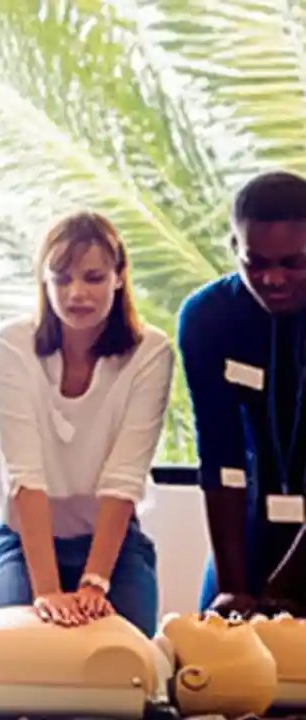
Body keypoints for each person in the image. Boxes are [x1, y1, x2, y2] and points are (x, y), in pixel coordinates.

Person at [0, 212, 171, 637]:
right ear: (43, 281)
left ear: (119, 278)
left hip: (112, 543)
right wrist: (48, 592)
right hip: (24, 539)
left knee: (124, 667)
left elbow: (125, 478)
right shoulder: (12, 345)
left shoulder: (151, 352)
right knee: (19, 655)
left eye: (93, 277)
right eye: (61, 278)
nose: (76, 293)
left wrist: (94, 583)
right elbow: (24, 476)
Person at [178, 170, 306, 619]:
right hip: (251, 527)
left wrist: (279, 590)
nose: (273, 279)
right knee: (218, 655)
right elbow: (220, 455)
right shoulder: (207, 317)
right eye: (256, 263)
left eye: (293, 263)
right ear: (234, 250)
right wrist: (235, 589)